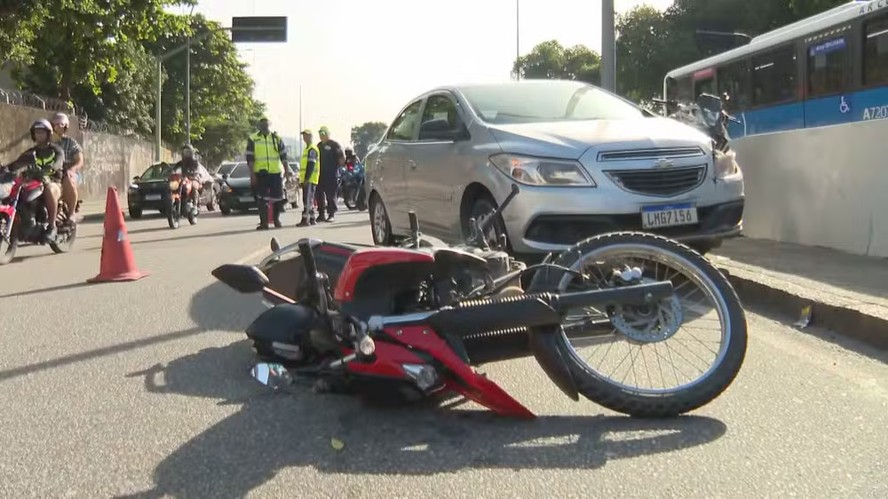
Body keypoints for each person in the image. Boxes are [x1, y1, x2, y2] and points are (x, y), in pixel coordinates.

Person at [8, 119, 65, 241]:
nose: (39, 134)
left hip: (54, 182)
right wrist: (5, 168)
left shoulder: (56, 150)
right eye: (37, 132)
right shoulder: (31, 152)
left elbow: (58, 162)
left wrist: (51, 168)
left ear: (48, 134)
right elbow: (16, 164)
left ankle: (52, 226)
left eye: (42, 132)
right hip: (36, 182)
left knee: (49, 190)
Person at [245, 117, 288, 230]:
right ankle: (264, 222)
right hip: (260, 173)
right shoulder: (253, 139)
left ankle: (276, 220)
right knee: (261, 199)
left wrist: (287, 172)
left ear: (270, 125)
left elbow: (284, 157)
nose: (265, 127)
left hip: (275, 172)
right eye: (262, 125)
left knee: (278, 198)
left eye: (266, 125)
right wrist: (252, 175)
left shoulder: (276, 138)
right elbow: (250, 159)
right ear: (259, 126)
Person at [50, 112, 84, 217]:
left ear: (66, 126)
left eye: (61, 124)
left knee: (68, 180)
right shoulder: (47, 143)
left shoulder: (71, 142)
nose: (59, 127)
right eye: (56, 124)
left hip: (69, 173)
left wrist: (72, 170)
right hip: (52, 173)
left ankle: (71, 215)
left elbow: (80, 160)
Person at [315, 125, 344, 223]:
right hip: (320, 175)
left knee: (331, 195)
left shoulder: (334, 145)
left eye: (323, 134)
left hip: (332, 174)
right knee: (319, 195)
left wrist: (340, 169)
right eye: (320, 134)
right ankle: (321, 214)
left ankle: (331, 214)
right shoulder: (318, 146)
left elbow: (341, 158)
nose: (321, 136)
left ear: (328, 134)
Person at [296, 128, 320, 227]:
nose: (304, 137)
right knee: (308, 199)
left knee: (307, 200)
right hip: (308, 179)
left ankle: (306, 220)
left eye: (306, 135)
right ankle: (312, 218)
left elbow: (311, 165)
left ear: (310, 136)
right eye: (303, 135)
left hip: (310, 179)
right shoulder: (307, 149)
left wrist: (306, 179)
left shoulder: (312, 149)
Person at [173, 144, 204, 211]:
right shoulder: (181, 163)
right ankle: (176, 203)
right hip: (184, 179)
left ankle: (195, 206)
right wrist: (171, 173)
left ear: (191, 152)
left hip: (194, 178)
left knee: (193, 187)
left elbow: (197, 170)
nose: (186, 154)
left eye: (187, 152)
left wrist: (193, 174)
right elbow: (174, 169)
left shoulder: (195, 162)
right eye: (184, 152)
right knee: (176, 186)